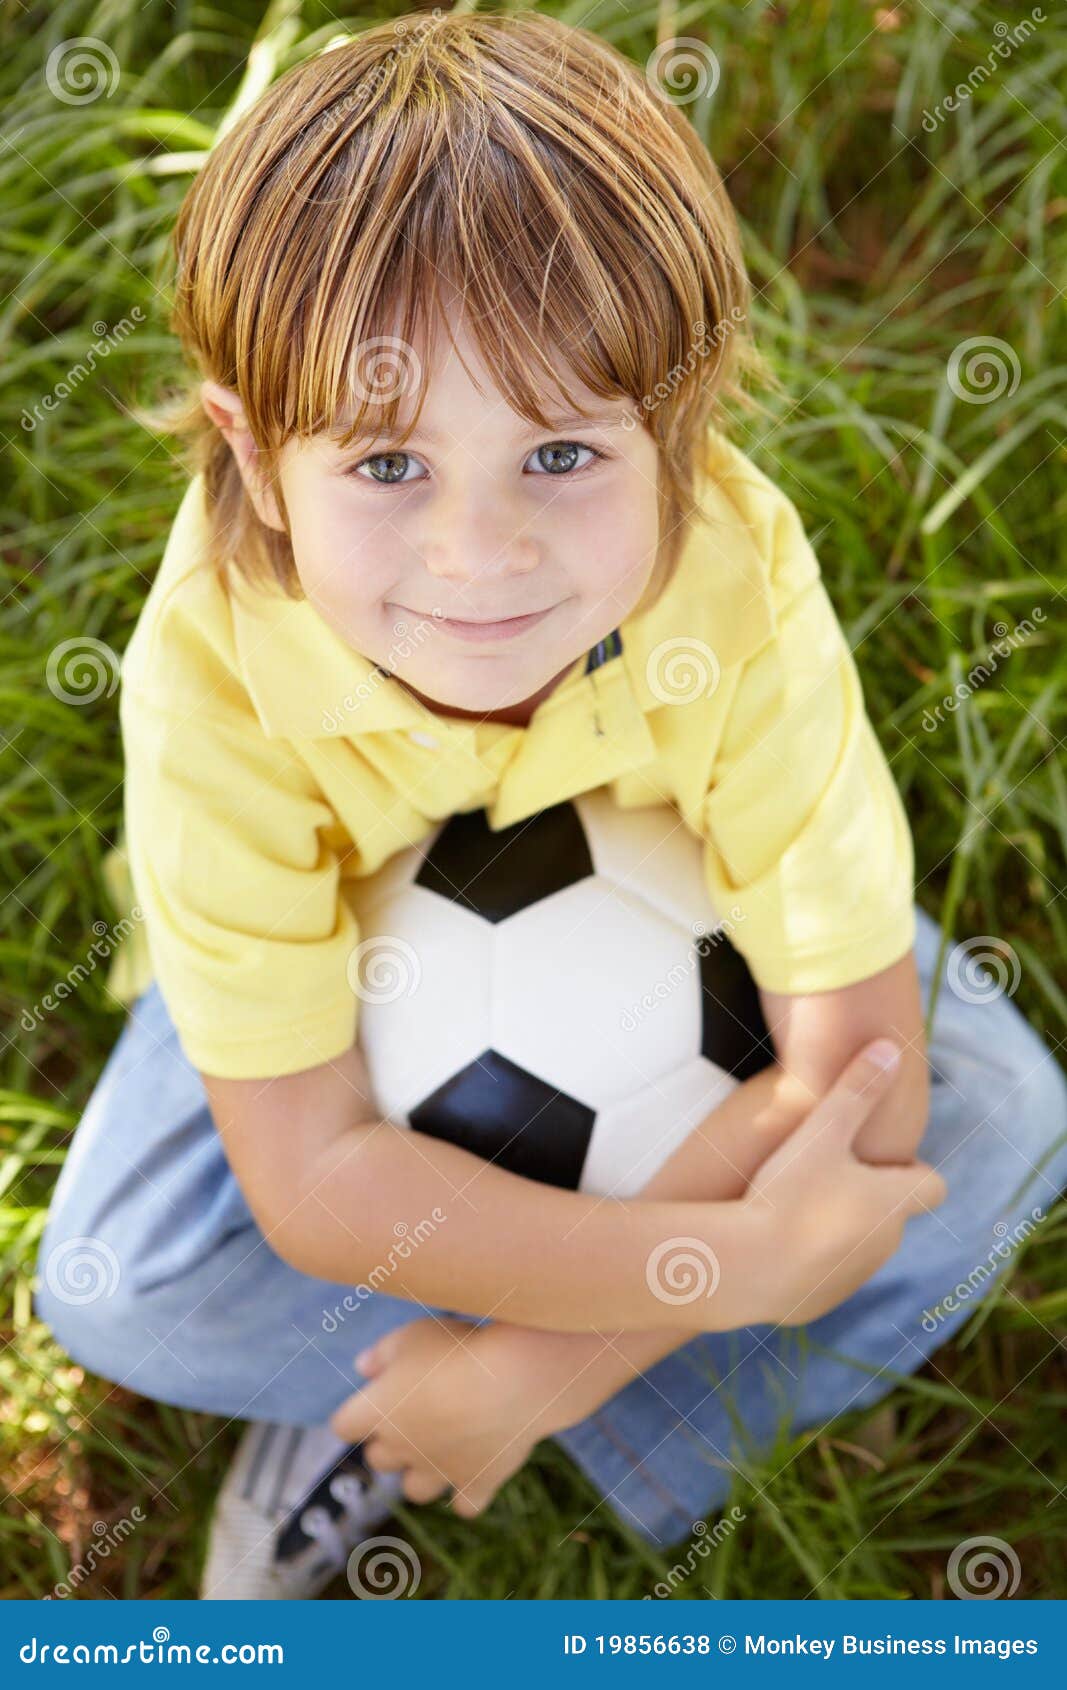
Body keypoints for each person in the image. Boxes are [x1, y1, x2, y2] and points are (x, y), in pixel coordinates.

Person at [33, 12, 1067, 1600]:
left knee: (1002, 1129)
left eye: (563, 452)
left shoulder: (738, 584)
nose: (479, 555)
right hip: (322, 959)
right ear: (251, 454)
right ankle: (462, 1399)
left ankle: (456, 1406)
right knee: (120, 1286)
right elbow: (312, 1176)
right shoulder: (209, 663)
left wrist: (539, 1367)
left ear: (685, 421)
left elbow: (862, 1066)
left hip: (701, 924)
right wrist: (740, 1267)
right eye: (387, 467)